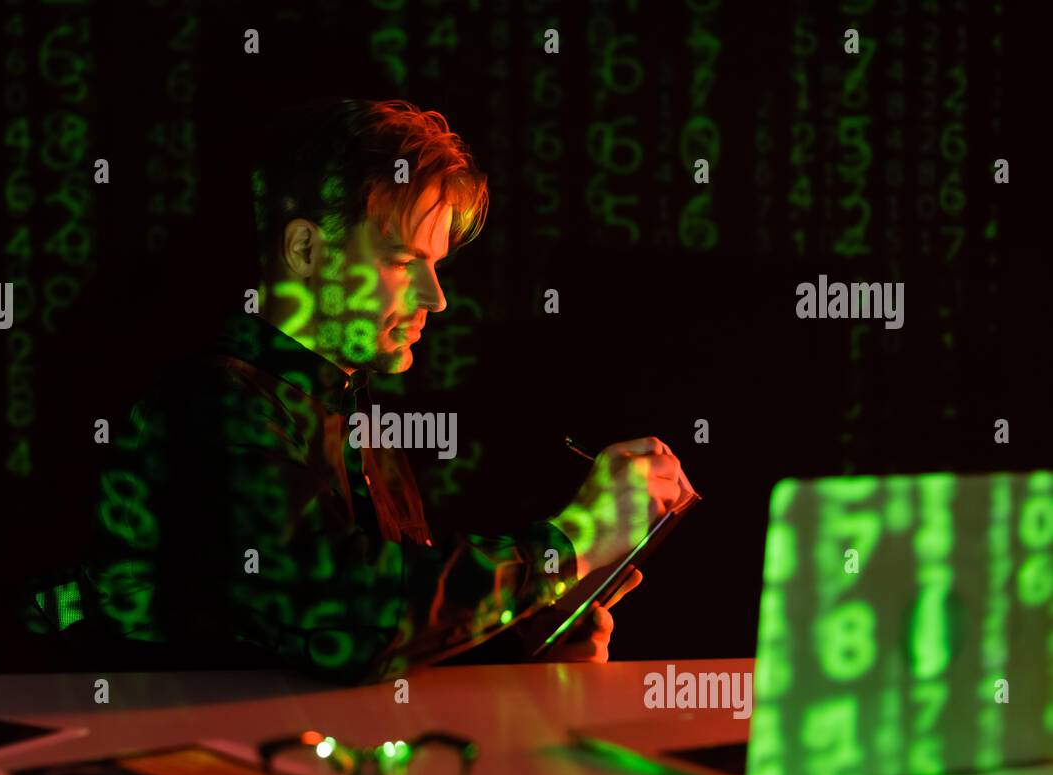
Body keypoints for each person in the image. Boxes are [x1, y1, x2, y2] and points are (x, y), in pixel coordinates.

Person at [65, 98, 695, 684]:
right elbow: (333, 613)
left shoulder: (356, 429)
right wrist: (569, 547)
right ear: (307, 248)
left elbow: (372, 650)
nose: (436, 297)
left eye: (436, 265)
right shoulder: (208, 406)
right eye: (401, 261)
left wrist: (525, 652)